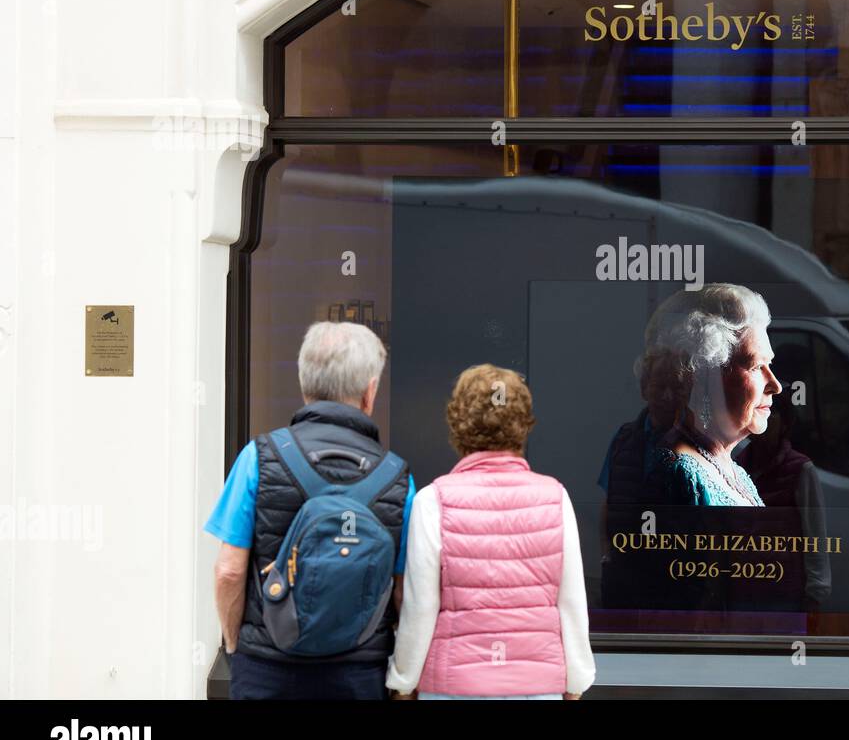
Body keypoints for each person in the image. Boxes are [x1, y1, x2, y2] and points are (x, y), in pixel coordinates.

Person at [205, 321, 414, 699]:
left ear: (304, 387)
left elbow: (229, 571)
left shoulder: (259, 458)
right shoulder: (397, 478)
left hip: (268, 670)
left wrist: (237, 647)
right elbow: (403, 592)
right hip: (358, 674)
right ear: (369, 393)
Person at [386, 364, 596, 699]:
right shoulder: (556, 497)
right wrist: (577, 680)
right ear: (523, 424)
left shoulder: (433, 501)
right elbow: (570, 602)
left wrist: (404, 680)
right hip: (536, 686)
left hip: (454, 687)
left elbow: (420, 606)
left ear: (458, 423)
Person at [641, 283, 782, 506]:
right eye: (756, 367)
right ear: (706, 378)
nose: (776, 385)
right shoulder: (683, 474)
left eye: (770, 364)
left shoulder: (731, 469)